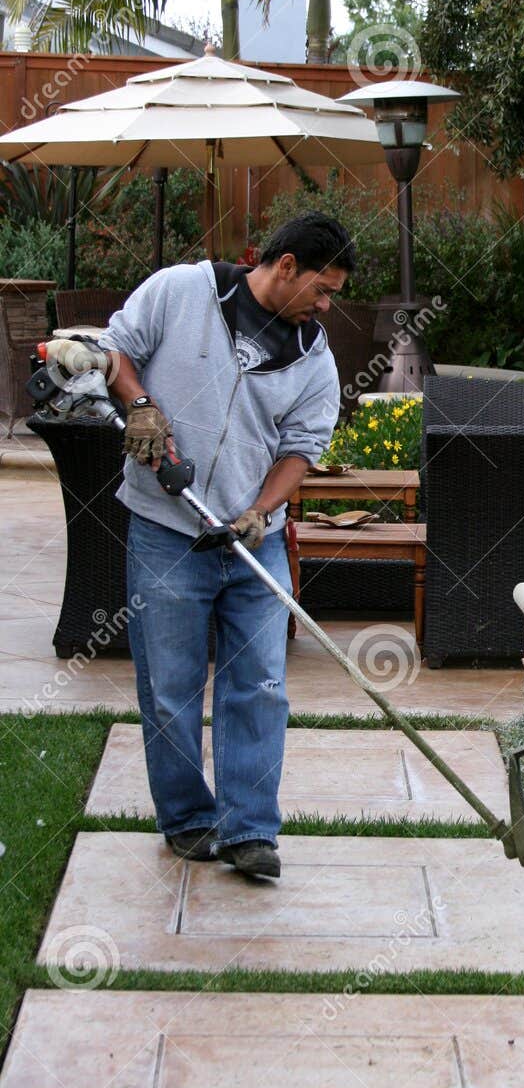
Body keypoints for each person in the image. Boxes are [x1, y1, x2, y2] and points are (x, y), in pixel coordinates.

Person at [94, 212, 353, 878]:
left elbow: (300, 450)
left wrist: (260, 513)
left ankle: (249, 832)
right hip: (166, 528)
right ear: (286, 265)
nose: (325, 306)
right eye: (322, 290)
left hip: (249, 542)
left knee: (259, 684)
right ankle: (186, 819)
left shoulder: (312, 356)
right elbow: (111, 352)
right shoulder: (180, 292)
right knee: (172, 687)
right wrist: (141, 405)